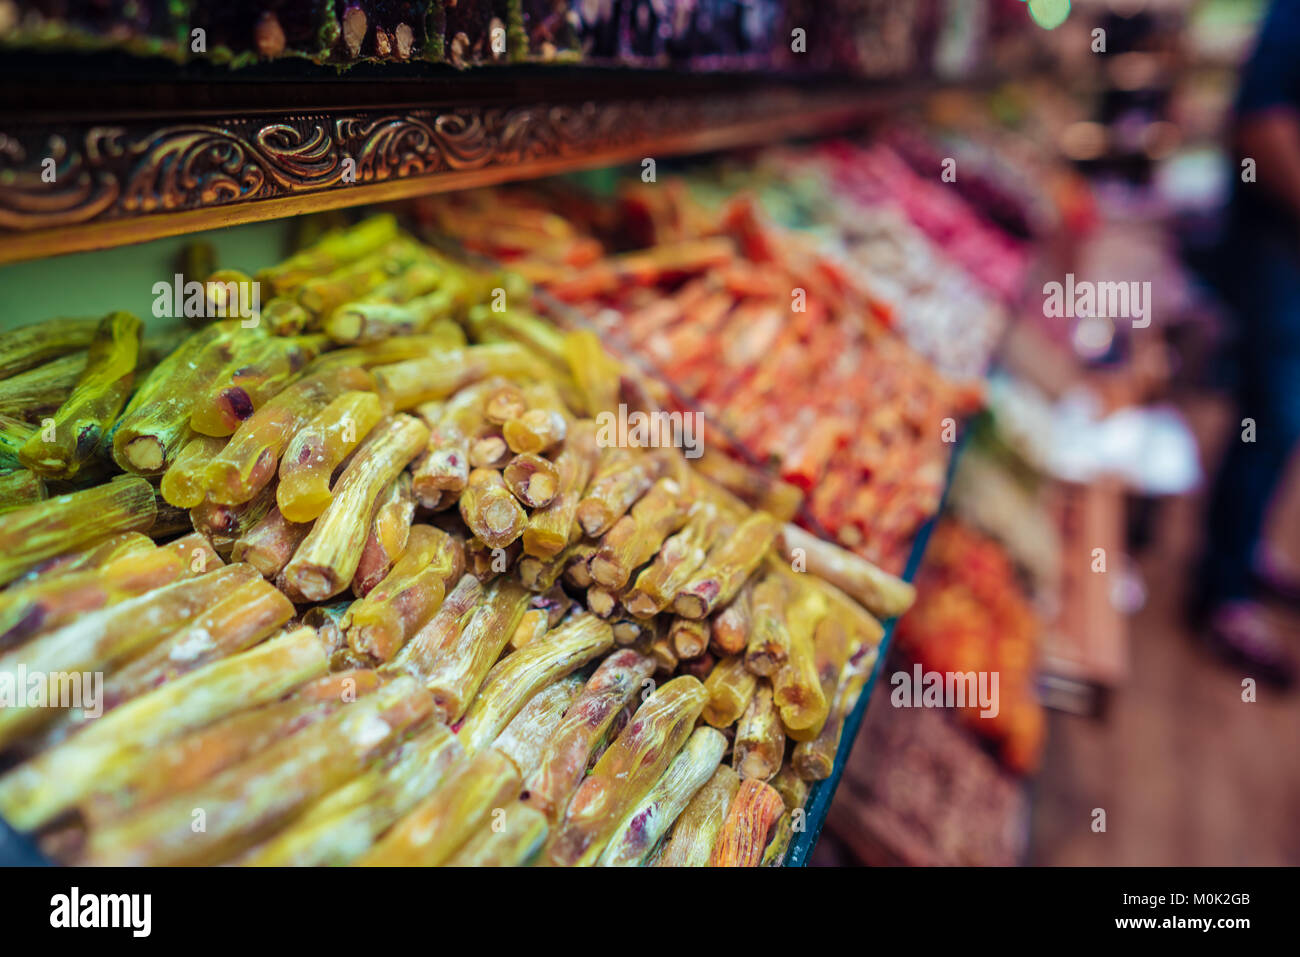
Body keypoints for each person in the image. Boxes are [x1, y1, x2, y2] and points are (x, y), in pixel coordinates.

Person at [1197, 0, 1300, 688]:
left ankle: (1243, 547)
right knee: (1273, 406)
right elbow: (1259, 125)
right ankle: (1224, 585)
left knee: (1280, 416)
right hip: (1275, 244)